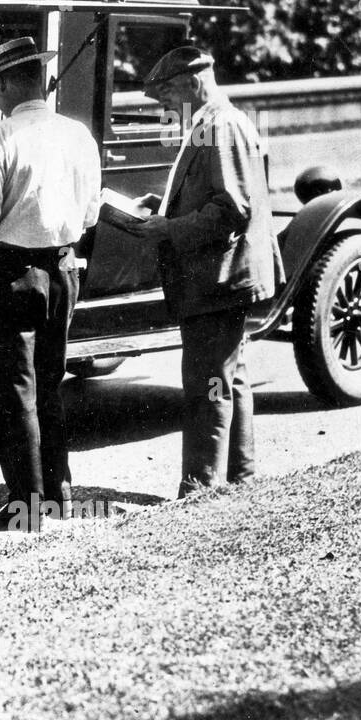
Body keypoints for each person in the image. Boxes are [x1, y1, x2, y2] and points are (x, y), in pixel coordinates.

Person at [0, 38, 101, 530]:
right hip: (63, 268)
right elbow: (91, 211)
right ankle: (58, 493)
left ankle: (26, 504)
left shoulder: (0, 137)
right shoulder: (78, 135)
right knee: (50, 381)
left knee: (16, 385)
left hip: (12, 270)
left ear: (8, 82)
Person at [127, 45, 284, 497]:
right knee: (228, 377)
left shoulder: (221, 126)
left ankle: (200, 489)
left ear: (193, 83)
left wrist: (168, 228)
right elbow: (217, 197)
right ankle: (239, 478)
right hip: (223, 276)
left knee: (206, 384)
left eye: (167, 96)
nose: (165, 109)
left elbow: (231, 210)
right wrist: (163, 208)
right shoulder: (212, 124)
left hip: (220, 278)